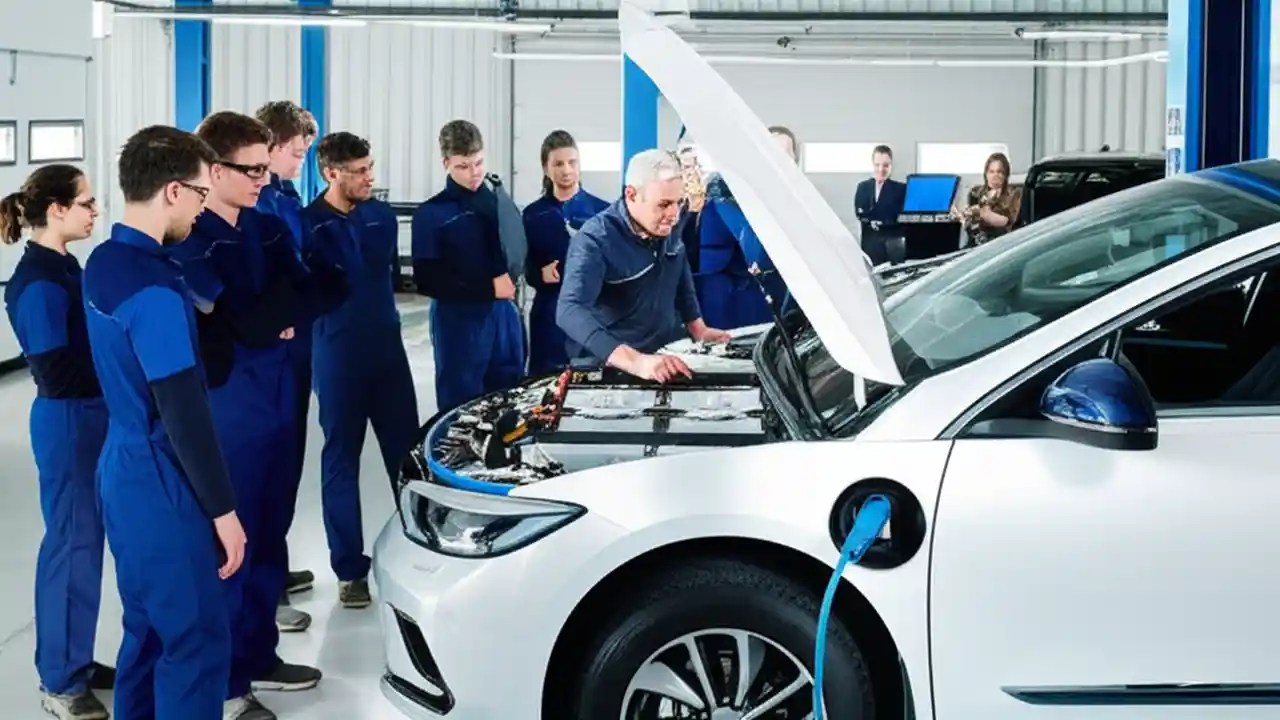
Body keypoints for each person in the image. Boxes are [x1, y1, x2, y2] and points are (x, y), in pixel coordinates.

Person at [81, 125, 244, 720]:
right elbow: (182, 410)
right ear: (173, 191)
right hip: (160, 476)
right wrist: (223, 511)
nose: (203, 210)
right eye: (202, 195)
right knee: (195, 638)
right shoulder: (153, 289)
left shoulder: (104, 261)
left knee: (148, 631)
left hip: (121, 467)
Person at [174, 111, 324, 718]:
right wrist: (269, 315)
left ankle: (259, 653)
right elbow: (241, 316)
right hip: (230, 405)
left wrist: (270, 313)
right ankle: (228, 683)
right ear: (215, 170)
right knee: (229, 547)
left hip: (278, 396)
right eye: (253, 168)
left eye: (268, 165)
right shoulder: (193, 240)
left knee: (269, 529)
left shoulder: (265, 225)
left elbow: (313, 287)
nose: (266, 177)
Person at [1, 166, 114, 720]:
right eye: (88, 203)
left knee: (88, 549)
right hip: (70, 423)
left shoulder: (68, 266)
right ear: (57, 210)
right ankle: (61, 682)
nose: (96, 212)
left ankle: (76, 658)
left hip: (93, 418)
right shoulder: (40, 282)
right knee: (72, 548)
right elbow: (56, 373)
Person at [303, 131, 418, 609]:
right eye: (360, 171)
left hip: (387, 353)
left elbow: (386, 279)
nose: (370, 177)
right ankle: (349, 569)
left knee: (407, 459)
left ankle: (418, 549)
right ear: (331, 173)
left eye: (371, 167)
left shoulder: (382, 217)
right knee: (340, 461)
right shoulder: (306, 226)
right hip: (337, 355)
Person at [556, 148, 731, 382]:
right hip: (612, 369)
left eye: (678, 202)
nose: (674, 215)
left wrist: (698, 328)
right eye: (664, 204)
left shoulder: (664, 225)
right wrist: (635, 362)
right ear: (631, 195)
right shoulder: (595, 240)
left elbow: (678, 265)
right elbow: (569, 310)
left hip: (665, 358)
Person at [254, 99, 320, 628]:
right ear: (271, 147)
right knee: (268, 468)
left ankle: (273, 565)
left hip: (295, 344)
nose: (303, 161)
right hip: (271, 349)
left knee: (288, 461)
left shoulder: (286, 193)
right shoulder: (260, 205)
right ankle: (264, 592)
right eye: (297, 153)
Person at [412, 119, 525, 409]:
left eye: (478, 163)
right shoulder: (431, 214)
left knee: (510, 401)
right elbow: (426, 280)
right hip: (459, 320)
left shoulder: (498, 200)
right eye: (463, 166)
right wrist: (488, 289)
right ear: (446, 163)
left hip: (505, 317)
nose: (474, 173)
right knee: (460, 408)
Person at [521, 129, 608, 376]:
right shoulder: (533, 215)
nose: (566, 170)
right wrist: (540, 274)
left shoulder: (602, 213)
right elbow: (526, 269)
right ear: (546, 169)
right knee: (544, 387)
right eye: (558, 163)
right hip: (549, 314)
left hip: (592, 312)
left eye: (572, 162)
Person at [694, 125, 797, 329]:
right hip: (731, 297)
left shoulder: (794, 202)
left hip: (773, 294)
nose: (778, 161)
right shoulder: (727, 193)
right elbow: (753, 248)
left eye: (785, 156)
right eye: (771, 153)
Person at [952, 151, 1020, 246]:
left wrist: (980, 213)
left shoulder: (1013, 195)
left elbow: (1005, 221)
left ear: (1006, 175)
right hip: (975, 244)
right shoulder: (977, 194)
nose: (995, 175)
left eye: (1000, 172)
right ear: (986, 174)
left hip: (999, 245)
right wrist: (962, 216)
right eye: (991, 171)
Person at [853, 144, 906, 265]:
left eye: (886, 165)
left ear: (891, 166)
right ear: (873, 164)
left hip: (893, 249)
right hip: (870, 248)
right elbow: (859, 212)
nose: (881, 169)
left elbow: (903, 216)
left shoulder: (901, 189)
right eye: (877, 165)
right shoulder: (863, 187)